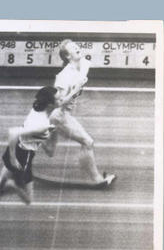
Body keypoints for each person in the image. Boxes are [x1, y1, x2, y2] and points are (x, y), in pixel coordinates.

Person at [42, 39, 116, 185]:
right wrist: (76, 90)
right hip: (60, 115)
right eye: (73, 48)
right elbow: (60, 102)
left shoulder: (84, 64)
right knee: (87, 142)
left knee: (50, 151)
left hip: (58, 115)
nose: (77, 48)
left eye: (77, 46)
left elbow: (84, 70)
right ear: (67, 56)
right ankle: (96, 179)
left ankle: (38, 136)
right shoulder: (63, 77)